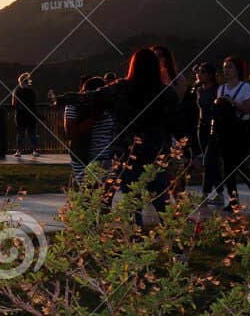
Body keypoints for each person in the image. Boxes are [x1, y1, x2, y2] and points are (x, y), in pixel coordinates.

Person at [49, 48, 180, 222]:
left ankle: (134, 240)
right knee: (163, 206)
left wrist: (62, 99)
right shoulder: (167, 94)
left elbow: (91, 97)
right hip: (156, 155)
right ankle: (176, 244)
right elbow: (175, 124)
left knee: (133, 206)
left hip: (127, 156)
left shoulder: (121, 89)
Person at [216, 55, 250, 208]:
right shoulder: (221, 88)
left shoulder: (245, 87)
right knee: (232, 165)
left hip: (240, 128)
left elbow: (247, 108)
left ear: (238, 70)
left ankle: (236, 200)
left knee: (234, 164)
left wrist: (232, 103)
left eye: (230, 66)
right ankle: (248, 194)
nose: (226, 70)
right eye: (225, 66)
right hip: (225, 129)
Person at [63, 75, 108, 184]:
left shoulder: (110, 106)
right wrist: (93, 118)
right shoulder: (74, 105)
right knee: (89, 195)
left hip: (106, 158)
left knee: (103, 196)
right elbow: (70, 132)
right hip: (83, 157)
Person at [191, 62, 224, 204]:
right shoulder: (199, 90)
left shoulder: (218, 90)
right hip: (202, 126)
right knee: (210, 162)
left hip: (214, 127)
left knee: (209, 160)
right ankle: (220, 194)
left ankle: (205, 194)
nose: (199, 74)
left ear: (210, 74)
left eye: (202, 72)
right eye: (198, 72)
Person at [12, 73, 40, 158]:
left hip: (22, 116)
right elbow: (33, 104)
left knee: (22, 134)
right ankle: (33, 150)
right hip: (27, 116)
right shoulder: (30, 91)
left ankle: (19, 151)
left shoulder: (17, 90)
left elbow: (14, 104)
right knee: (31, 134)